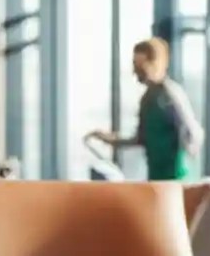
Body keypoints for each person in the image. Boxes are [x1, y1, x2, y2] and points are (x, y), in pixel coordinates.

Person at [87, 37, 203, 181]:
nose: (136, 72)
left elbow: (192, 133)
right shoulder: (147, 99)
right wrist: (111, 140)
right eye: (135, 66)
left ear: (155, 64)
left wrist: (187, 157)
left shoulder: (170, 94)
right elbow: (140, 138)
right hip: (156, 175)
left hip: (176, 175)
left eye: (141, 67)